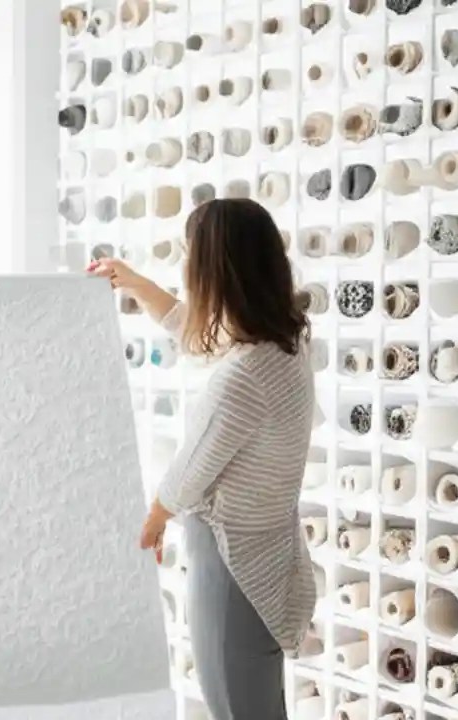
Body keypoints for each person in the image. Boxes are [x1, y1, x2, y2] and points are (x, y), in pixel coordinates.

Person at [90, 198, 316, 720]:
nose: (185, 263)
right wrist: (134, 282)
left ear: (215, 268)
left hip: (230, 561)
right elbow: (196, 333)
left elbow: (190, 472)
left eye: (190, 252)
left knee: (236, 706)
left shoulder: (244, 377)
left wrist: (152, 521)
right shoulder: (284, 342)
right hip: (265, 551)